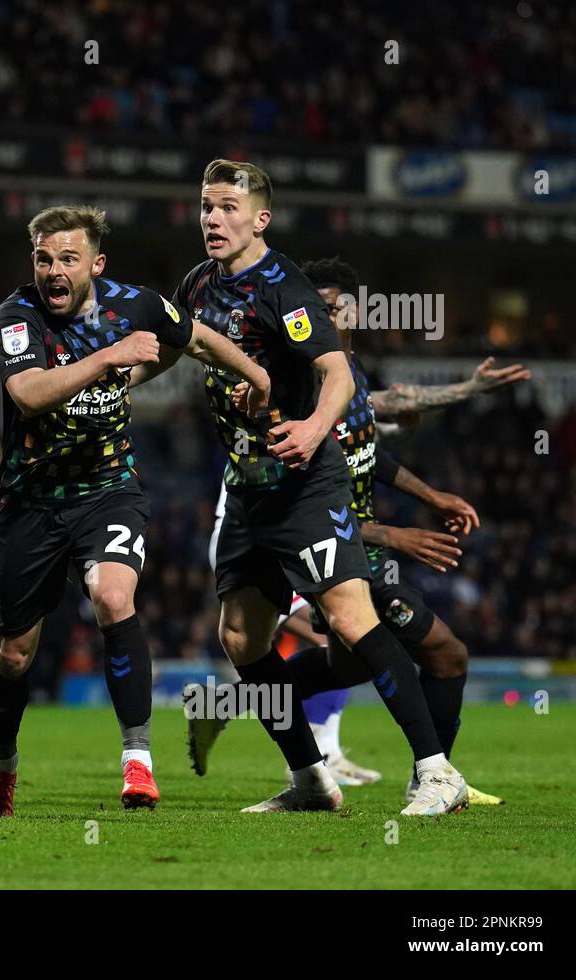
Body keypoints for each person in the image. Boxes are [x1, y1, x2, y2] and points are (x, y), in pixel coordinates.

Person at [173, 160, 469, 816]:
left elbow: (334, 371)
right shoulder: (198, 285)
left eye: (226, 207)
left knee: (350, 621)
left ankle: (436, 771)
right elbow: (173, 349)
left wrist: (311, 428)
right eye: (205, 207)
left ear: (260, 219)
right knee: (244, 640)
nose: (212, 219)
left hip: (306, 485)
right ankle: (310, 779)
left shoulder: (285, 286)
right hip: (248, 488)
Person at [0, 204, 270, 818]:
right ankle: (2, 770)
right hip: (31, 500)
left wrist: (256, 375)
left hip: (109, 489)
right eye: (43, 258)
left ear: (96, 264)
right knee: (11, 656)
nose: (53, 270)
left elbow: (192, 337)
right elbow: (27, 395)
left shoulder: (133, 304)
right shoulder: (16, 315)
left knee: (113, 598)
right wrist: (110, 360)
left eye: (67, 259)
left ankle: (138, 762)